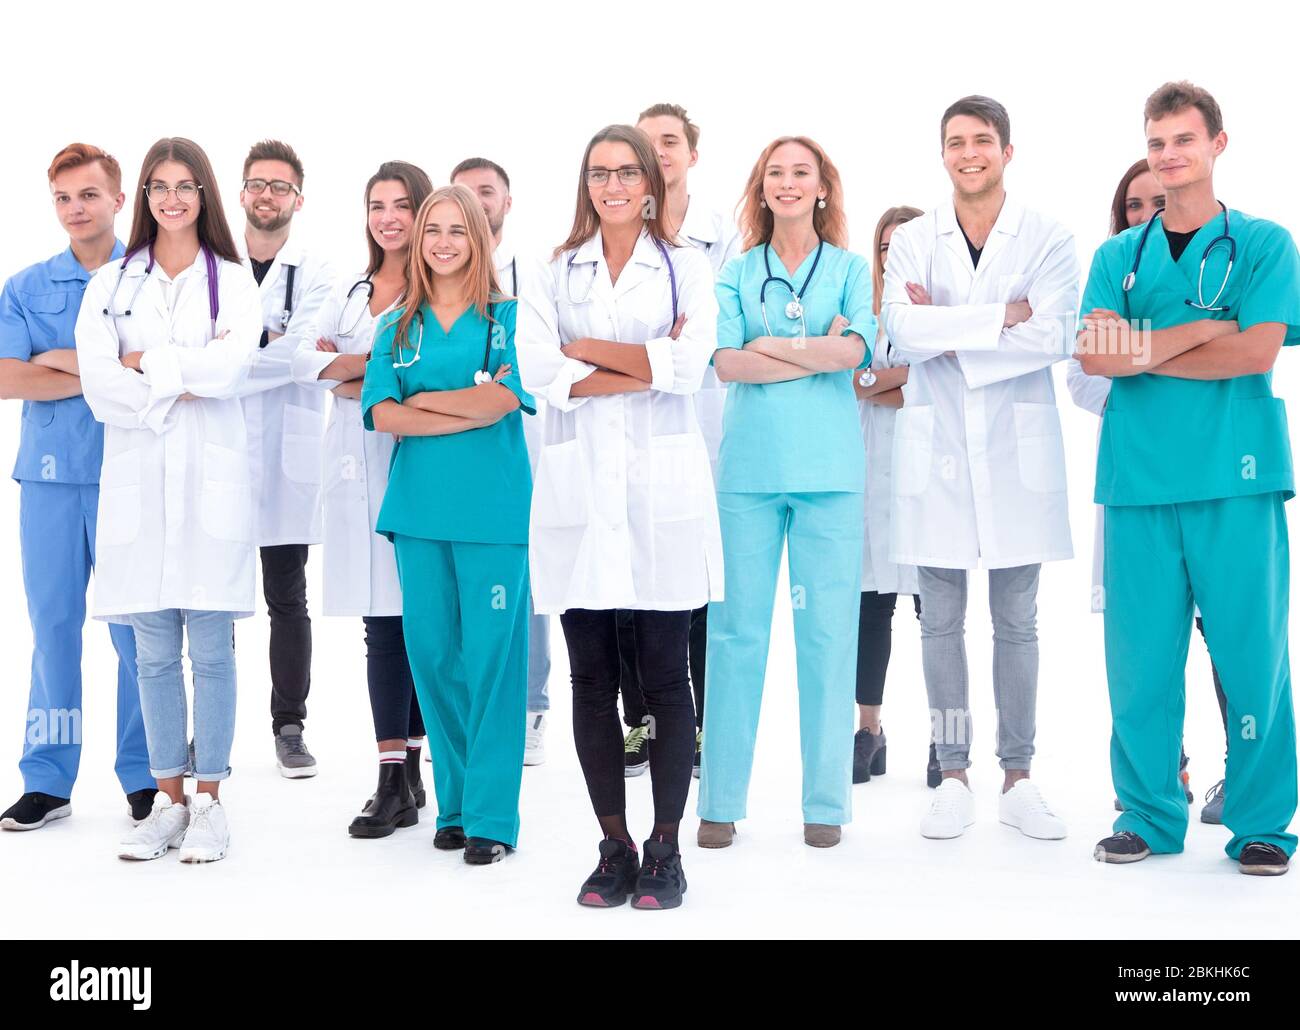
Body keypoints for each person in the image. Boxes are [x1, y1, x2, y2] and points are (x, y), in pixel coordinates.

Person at [1077, 82, 1299, 875]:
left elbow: (1257, 352)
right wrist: (1206, 326)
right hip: (1138, 484)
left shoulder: (1265, 245)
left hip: (1235, 482)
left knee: (1251, 657)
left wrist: (1148, 343)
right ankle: (1147, 814)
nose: (1169, 155)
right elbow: (1096, 356)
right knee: (1138, 664)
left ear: (1218, 145)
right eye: (1157, 141)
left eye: (1183, 140)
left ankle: (1263, 821)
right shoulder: (1116, 256)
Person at [517, 124, 720, 908]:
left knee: (669, 679)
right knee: (592, 677)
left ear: (649, 183)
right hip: (578, 497)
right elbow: (540, 372)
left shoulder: (689, 268)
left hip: (660, 497)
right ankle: (614, 844)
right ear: (586, 184)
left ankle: (667, 849)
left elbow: (691, 367)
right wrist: (641, 360)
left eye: (626, 172)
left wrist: (587, 353)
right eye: (598, 173)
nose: (612, 185)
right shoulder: (550, 270)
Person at [882, 96, 1077, 843]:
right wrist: (1005, 314)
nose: (970, 153)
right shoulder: (910, 238)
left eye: (983, 141)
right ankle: (954, 770)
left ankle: (1019, 775)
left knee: (1017, 620)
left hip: (1015, 452)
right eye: (957, 142)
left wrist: (951, 329)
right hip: (935, 455)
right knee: (941, 622)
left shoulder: (1049, 236)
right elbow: (900, 331)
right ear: (943, 154)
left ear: (1007, 150)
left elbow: (1057, 335)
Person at [75, 137, 262, 863]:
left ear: (205, 195)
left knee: (211, 649)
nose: (172, 198)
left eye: (185, 185)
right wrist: (180, 379)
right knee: (152, 653)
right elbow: (98, 387)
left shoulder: (232, 282)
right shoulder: (113, 283)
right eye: (159, 186)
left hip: (209, 484)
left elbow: (231, 368)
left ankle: (210, 801)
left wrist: (146, 365)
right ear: (146, 196)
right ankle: (167, 802)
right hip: (137, 486)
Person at [697, 135, 871, 851]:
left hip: (831, 473)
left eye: (802, 172)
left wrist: (772, 347)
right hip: (751, 473)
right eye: (776, 173)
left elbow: (856, 353)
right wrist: (810, 351)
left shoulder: (852, 269)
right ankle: (720, 802)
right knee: (736, 634)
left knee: (828, 638)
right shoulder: (737, 272)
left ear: (822, 187)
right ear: (761, 190)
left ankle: (825, 803)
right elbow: (727, 364)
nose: (789, 183)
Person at [362, 184, 533, 865]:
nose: (442, 241)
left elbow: (506, 401)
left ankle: (492, 816)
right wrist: (468, 403)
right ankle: (456, 803)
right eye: (433, 228)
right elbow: (381, 413)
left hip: (492, 512)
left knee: (493, 662)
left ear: (480, 238)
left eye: (458, 230)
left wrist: (428, 403)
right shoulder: (396, 326)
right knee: (433, 657)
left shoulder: (508, 320)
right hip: (420, 511)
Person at [1065, 158, 1231, 823]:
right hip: (1135, 483)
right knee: (1148, 649)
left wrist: (1139, 360)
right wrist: (1175, 360)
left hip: (1216, 481)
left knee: (1226, 638)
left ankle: (1243, 773)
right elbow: (1086, 376)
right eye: (1132, 205)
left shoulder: (1221, 263)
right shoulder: (1112, 273)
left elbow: (1239, 357)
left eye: (1154, 200)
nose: (1143, 213)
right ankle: (1163, 776)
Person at [0, 144, 154, 831]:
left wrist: (54, 363)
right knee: (53, 628)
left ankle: (146, 776)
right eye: (63, 198)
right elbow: (5, 377)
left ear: (118, 199)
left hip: (128, 477)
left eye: (87, 195)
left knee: (134, 635)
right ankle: (48, 778)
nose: (74, 209)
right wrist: (101, 369)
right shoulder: (27, 288)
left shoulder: (148, 280)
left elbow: (156, 371)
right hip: (50, 483)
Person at [291, 161, 432, 838]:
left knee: (420, 622)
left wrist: (356, 368)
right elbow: (303, 362)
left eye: (402, 204)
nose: (388, 218)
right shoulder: (349, 289)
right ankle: (392, 778)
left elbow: (422, 377)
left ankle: (412, 768)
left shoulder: (442, 290)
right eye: (377, 205)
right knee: (382, 625)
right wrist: (370, 369)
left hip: (418, 462)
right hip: (353, 469)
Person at [614, 102, 742, 778]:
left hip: (710, 426)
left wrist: (666, 350)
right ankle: (642, 721)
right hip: (625, 422)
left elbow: (719, 336)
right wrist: (652, 351)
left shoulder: (725, 240)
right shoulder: (611, 233)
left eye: (671, 141)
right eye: (647, 143)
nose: (659, 152)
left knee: (694, 581)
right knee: (631, 577)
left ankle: (696, 729)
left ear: (692, 153)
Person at [236, 139, 334, 778]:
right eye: (256, 184)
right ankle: (200, 734)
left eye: (279, 185)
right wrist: (263, 348)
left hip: (287, 455)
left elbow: (303, 356)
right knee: (201, 598)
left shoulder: (317, 271)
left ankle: (289, 725)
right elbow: (274, 355)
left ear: (298, 198)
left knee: (286, 596)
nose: (266, 195)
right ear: (242, 194)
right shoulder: (209, 265)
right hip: (217, 450)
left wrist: (224, 360)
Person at [451, 156, 550, 767]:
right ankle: (470, 712)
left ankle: (531, 704)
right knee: (460, 580)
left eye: (486, 192)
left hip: (522, 441)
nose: (476, 201)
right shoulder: (438, 275)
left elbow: (538, 361)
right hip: (457, 447)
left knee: (525, 575)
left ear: (506, 204)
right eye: (464, 193)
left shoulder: (531, 276)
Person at [851, 205, 924, 786]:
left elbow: (934, 386)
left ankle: (946, 739)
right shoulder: (861, 316)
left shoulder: (940, 317)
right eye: (884, 246)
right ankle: (868, 731)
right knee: (871, 609)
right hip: (871, 477)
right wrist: (892, 381)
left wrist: (881, 382)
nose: (892, 256)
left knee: (939, 614)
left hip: (930, 480)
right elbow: (854, 381)